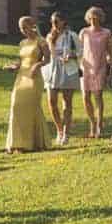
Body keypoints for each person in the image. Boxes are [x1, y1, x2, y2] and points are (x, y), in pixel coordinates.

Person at [3, 16, 51, 153]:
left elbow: (48, 59)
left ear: (33, 25)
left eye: (25, 27)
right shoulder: (23, 42)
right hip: (21, 76)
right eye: (21, 28)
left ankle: (29, 143)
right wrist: (13, 66)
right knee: (16, 105)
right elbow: (21, 61)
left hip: (34, 77)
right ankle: (17, 142)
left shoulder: (41, 41)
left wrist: (38, 64)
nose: (23, 30)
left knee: (30, 107)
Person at [44, 12, 81, 145]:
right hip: (52, 70)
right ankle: (59, 130)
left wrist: (71, 56)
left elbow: (80, 52)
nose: (54, 24)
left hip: (68, 70)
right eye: (53, 21)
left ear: (63, 22)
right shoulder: (50, 36)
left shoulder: (72, 35)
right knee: (52, 101)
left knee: (67, 102)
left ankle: (66, 133)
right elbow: (48, 53)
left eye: (57, 21)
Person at [79, 7, 112, 138]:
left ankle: (99, 126)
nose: (93, 20)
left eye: (96, 17)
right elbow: (78, 49)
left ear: (100, 18)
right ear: (88, 18)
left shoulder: (106, 32)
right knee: (85, 97)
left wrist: (110, 66)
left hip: (100, 67)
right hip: (85, 68)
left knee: (98, 96)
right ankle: (92, 125)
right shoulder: (84, 32)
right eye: (91, 17)